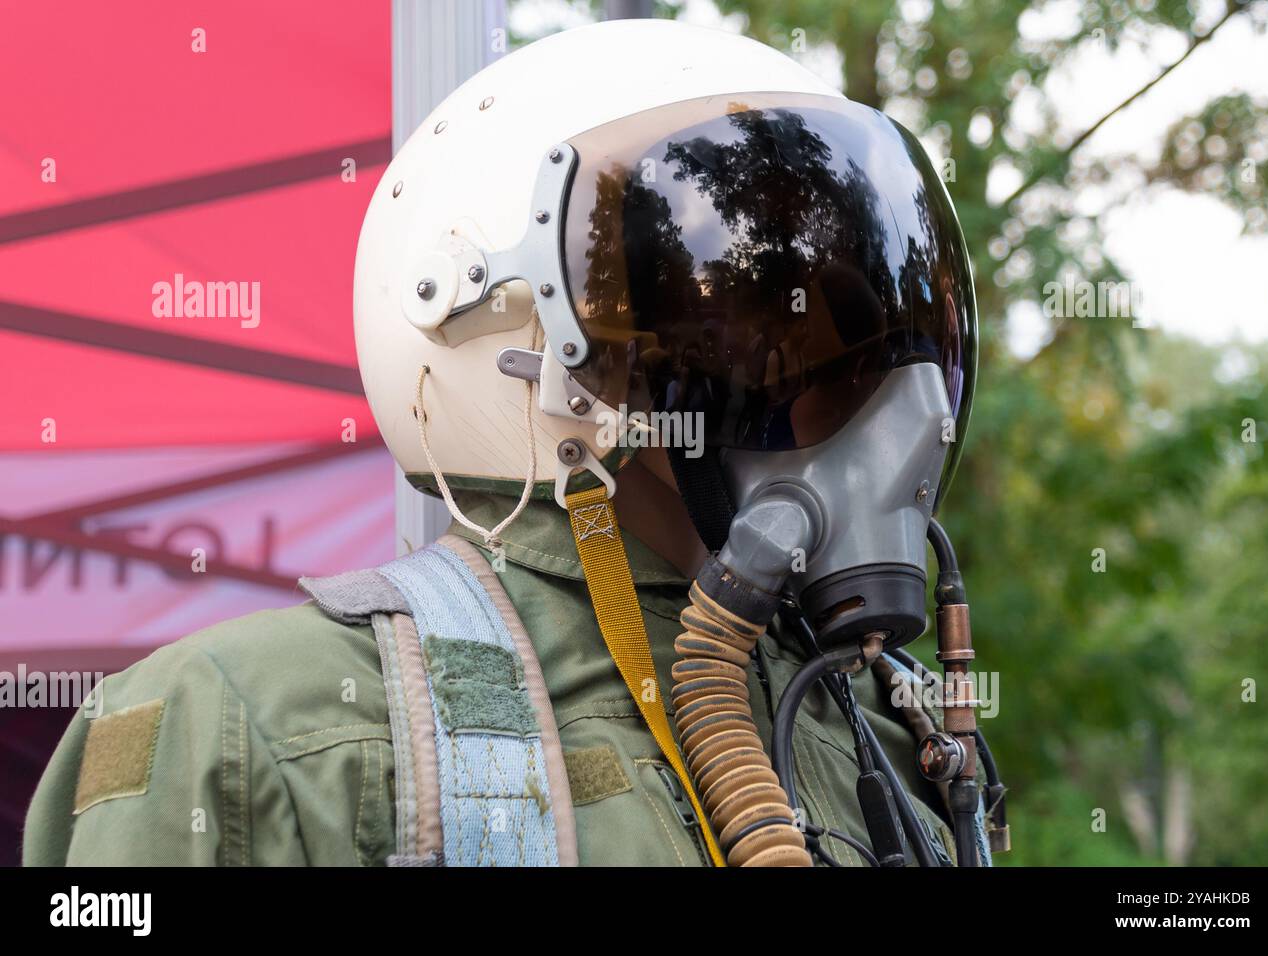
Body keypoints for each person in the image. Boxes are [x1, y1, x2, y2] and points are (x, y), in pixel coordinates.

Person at [24, 18, 994, 867]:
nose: (886, 405)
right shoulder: (254, 728)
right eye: (764, 338)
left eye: (862, 347)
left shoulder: (881, 726)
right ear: (527, 336)